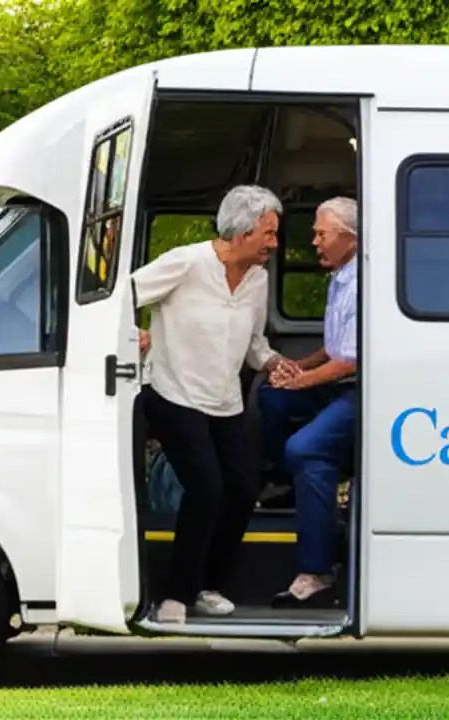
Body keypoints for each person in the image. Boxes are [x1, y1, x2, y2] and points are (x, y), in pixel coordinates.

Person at [131, 184, 294, 624]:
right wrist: (133, 334)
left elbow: (254, 344)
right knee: (205, 488)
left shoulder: (257, 281)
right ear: (242, 231)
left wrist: (275, 363)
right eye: (270, 233)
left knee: (242, 490)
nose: (274, 244)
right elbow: (121, 296)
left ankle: (209, 585)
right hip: (173, 394)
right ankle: (174, 597)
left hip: (225, 402)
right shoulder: (186, 263)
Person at [257, 196, 359, 607]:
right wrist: (297, 369)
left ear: (349, 237)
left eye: (321, 233)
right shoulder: (340, 276)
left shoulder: (364, 281)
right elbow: (334, 346)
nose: (314, 241)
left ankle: (317, 571)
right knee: (271, 398)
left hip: (360, 390)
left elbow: (350, 361)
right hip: (338, 380)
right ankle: (294, 487)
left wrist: (304, 383)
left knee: (306, 448)